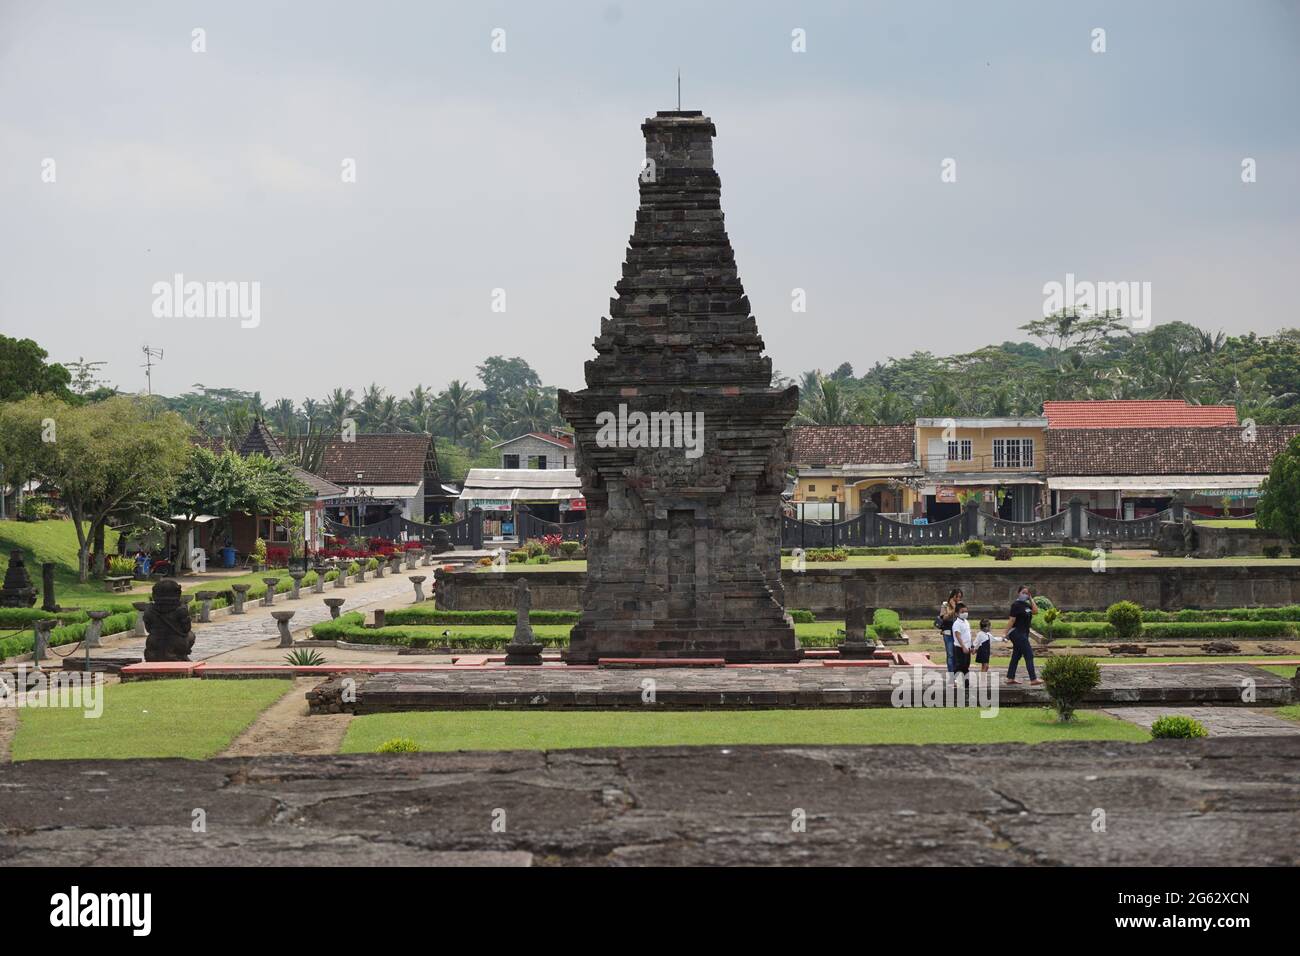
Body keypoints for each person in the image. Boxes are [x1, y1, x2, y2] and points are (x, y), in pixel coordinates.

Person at [1005, 584, 1042, 685]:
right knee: (1029, 654)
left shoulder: (1026, 605)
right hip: (1017, 633)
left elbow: (1035, 611)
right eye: (1023, 593)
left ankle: (1010, 678)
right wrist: (1005, 633)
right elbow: (1012, 620)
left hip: (1024, 633)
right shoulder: (1015, 605)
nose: (1025, 594)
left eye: (1027, 593)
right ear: (1018, 593)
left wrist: (1030, 598)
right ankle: (1033, 679)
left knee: (1016, 656)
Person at [937, 588, 963, 676]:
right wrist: (953, 608)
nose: (958, 599)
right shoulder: (945, 605)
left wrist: (957, 607)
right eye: (957, 597)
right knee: (950, 654)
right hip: (948, 632)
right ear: (952, 596)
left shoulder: (960, 605)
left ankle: (957, 674)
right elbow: (944, 617)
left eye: (960, 597)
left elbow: (962, 617)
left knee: (957, 654)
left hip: (957, 633)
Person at [951, 602, 973, 685]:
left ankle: (966, 682)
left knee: (966, 665)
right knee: (960, 665)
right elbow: (958, 636)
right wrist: (963, 646)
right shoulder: (957, 624)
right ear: (957, 614)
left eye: (966, 611)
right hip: (960, 648)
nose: (965, 613)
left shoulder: (966, 622)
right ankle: (954, 679)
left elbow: (969, 635)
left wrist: (972, 645)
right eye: (962, 612)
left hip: (967, 647)